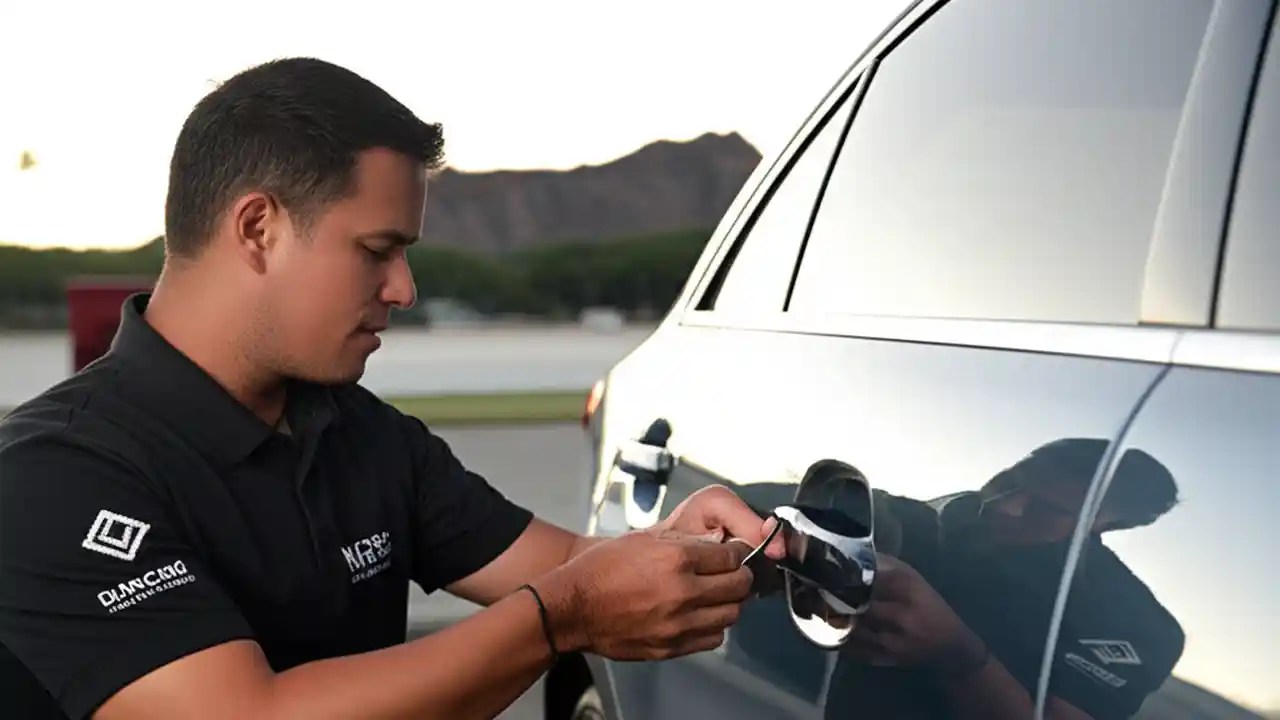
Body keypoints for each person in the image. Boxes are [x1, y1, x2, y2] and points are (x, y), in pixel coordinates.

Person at [0, 57, 784, 720]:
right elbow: (248, 715)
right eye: (377, 250)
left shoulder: (361, 434)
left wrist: (678, 547)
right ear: (258, 229)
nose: (403, 289)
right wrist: (560, 620)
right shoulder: (51, 474)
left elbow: (569, 567)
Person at [825, 438, 1185, 720]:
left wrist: (954, 650)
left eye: (1046, 509)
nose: (1003, 505)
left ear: (1103, 526)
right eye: (1009, 482)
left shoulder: (1137, 625)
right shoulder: (927, 520)